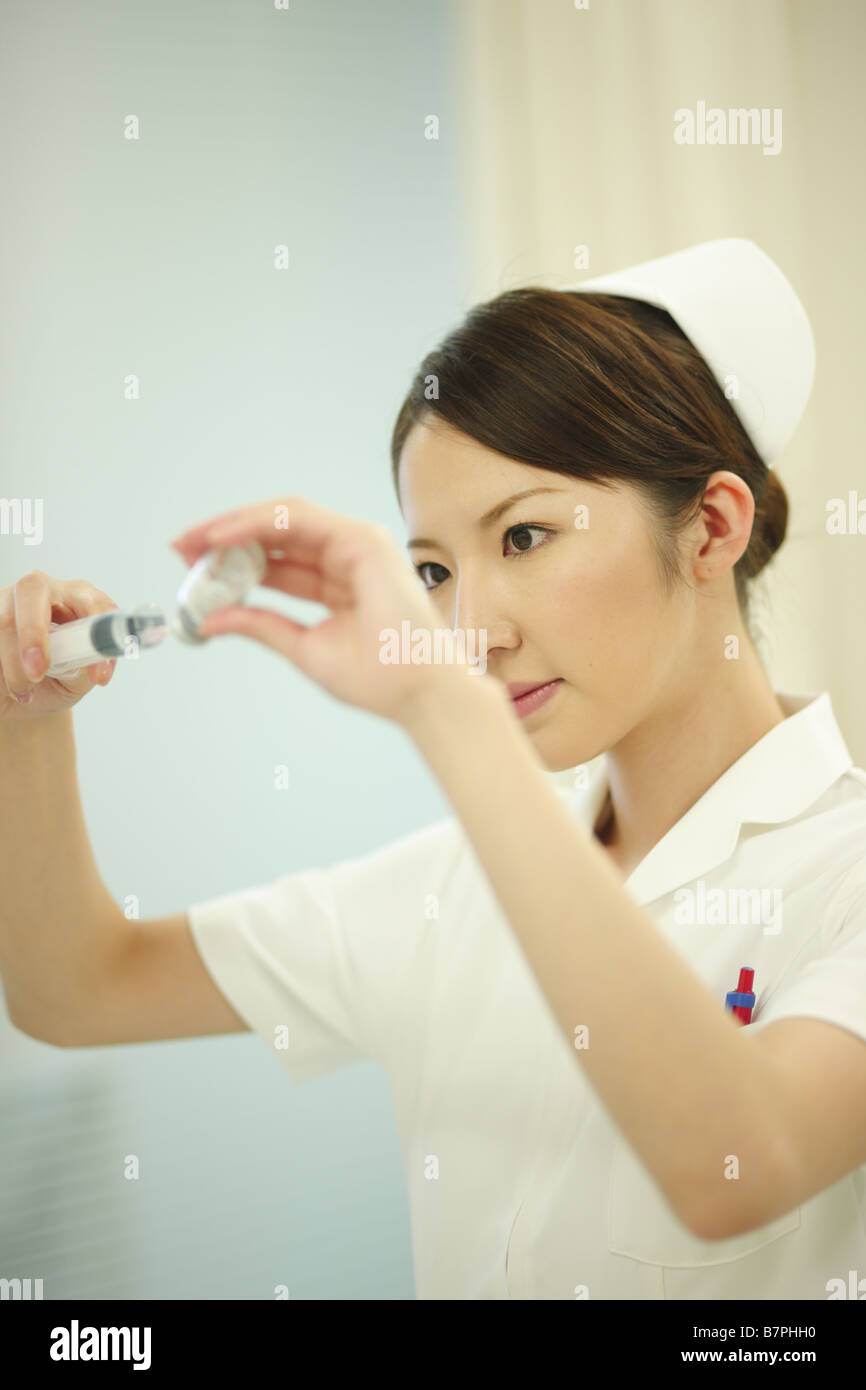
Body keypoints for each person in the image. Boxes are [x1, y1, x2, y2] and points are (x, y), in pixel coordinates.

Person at [2, 240, 866, 1301]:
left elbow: (736, 1164)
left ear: (710, 528)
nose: (467, 633)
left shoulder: (845, 879)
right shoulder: (450, 891)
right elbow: (74, 988)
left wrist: (436, 709)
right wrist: (24, 719)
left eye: (525, 536)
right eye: (432, 572)